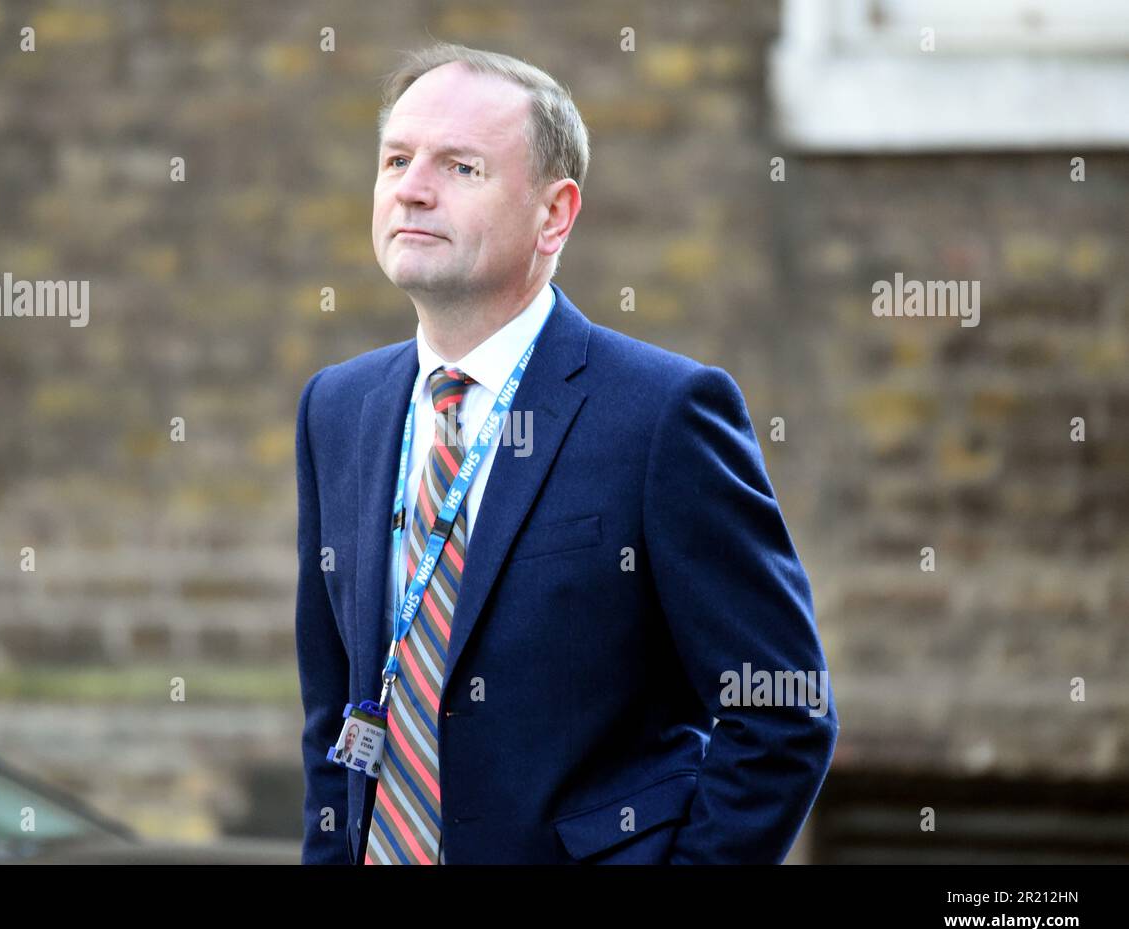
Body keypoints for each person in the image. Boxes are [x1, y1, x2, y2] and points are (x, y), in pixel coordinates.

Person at [294, 42, 838, 865]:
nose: (411, 186)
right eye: (396, 159)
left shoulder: (662, 414)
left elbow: (782, 711)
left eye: (461, 167)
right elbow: (333, 714)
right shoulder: (337, 408)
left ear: (555, 214)